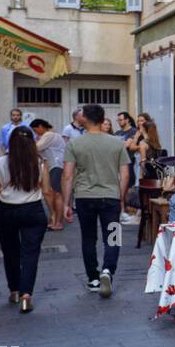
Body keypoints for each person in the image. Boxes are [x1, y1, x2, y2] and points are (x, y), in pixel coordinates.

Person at [0, 126, 48, 313]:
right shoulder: (40, 162)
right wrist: (56, 214)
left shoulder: (0, 162)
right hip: (33, 210)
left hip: (6, 211)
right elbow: (47, 190)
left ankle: (14, 291)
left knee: (10, 252)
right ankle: (26, 295)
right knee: (30, 253)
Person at [61, 104, 129, 299]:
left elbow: (67, 175)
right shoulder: (117, 143)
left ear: (84, 119)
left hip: (84, 197)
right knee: (113, 236)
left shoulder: (75, 144)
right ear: (102, 118)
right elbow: (125, 175)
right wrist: (121, 197)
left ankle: (93, 278)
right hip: (111, 197)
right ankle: (108, 270)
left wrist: (66, 203)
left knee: (88, 238)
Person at [31, 119, 67, 231]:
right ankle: (54, 217)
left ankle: (58, 222)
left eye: (35, 130)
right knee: (49, 192)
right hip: (50, 165)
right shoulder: (50, 135)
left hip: (56, 165)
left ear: (40, 126)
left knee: (57, 193)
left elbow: (35, 148)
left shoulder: (49, 135)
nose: (35, 132)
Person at [116, 111, 139, 221]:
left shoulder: (133, 131)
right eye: (118, 120)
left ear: (127, 120)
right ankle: (121, 210)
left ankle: (126, 210)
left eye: (121, 119)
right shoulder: (117, 133)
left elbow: (127, 146)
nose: (119, 122)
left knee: (127, 187)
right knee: (119, 187)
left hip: (129, 162)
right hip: (117, 163)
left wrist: (121, 145)